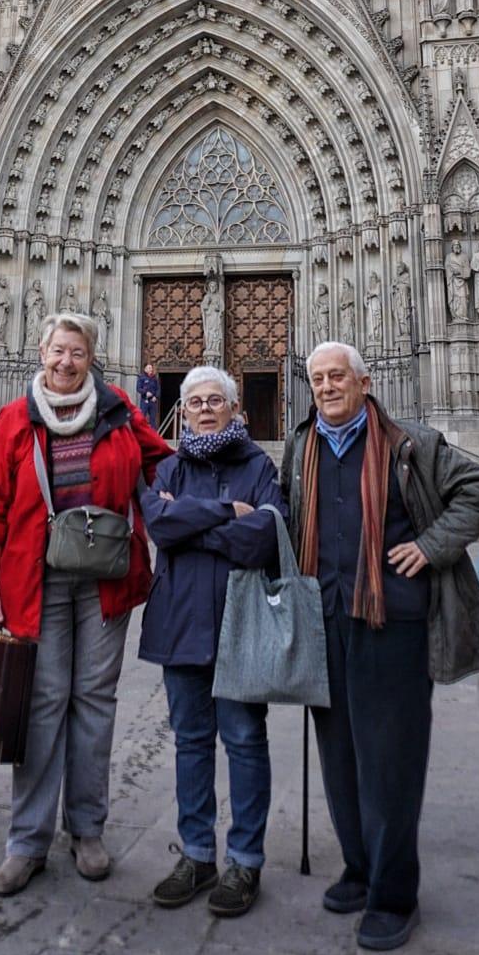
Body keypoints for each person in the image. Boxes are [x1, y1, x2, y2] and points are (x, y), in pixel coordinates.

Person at [281, 342, 479, 951]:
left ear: (364, 381)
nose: (325, 387)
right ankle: (359, 865)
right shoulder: (301, 447)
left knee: (391, 763)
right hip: (327, 620)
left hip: (391, 624)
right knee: (340, 756)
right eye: (316, 378)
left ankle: (394, 894)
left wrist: (430, 547)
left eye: (336, 377)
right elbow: (288, 519)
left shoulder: (410, 444)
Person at [0, 313, 171, 896]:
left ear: (91, 359)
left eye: (77, 353)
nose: (66, 362)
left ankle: (87, 830)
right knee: (43, 700)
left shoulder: (118, 412)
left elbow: (164, 465)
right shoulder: (14, 418)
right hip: (38, 582)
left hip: (106, 577)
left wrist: (229, 490)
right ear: (41, 352)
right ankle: (27, 840)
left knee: (95, 700)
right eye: (58, 351)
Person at [140, 367, 286, 918]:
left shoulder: (257, 466)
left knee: (245, 741)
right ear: (183, 409)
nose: (204, 409)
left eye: (214, 401)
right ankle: (198, 854)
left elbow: (267, 535)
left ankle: (245, 859)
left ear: (234, 408)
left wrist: (191, 523)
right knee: (191, 742)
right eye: (194, 401)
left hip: (239, 623)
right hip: (181, 624)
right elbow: (160, 525)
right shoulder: (169, 465)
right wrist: (228, 514)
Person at [445, 240, 471, 321]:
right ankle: (455, 316)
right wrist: (452, 272)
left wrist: (460, 272)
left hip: (462, 282)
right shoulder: (448, 257)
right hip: (453, 282)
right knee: (455, 299)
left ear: (460, 247)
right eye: (455, 246)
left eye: (458, 246)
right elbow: (447, 268)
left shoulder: (464, 256)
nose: (456, 247)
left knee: (463, 298)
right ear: (452, 247)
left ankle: (463, 316)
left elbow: (468, 269)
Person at [136, 362, 160, 428]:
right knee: (142, 418)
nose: (151, 369)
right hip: (144, 401)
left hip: (153, 401)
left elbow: (158, 389)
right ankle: (141, 435)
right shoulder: (141, 378)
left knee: (153, 419)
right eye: (149, 368)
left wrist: (156, 397)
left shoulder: (155, 378)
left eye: (151, 368)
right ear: (145, 369)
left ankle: (153, 436)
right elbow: (138, 388)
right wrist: (145, 392)